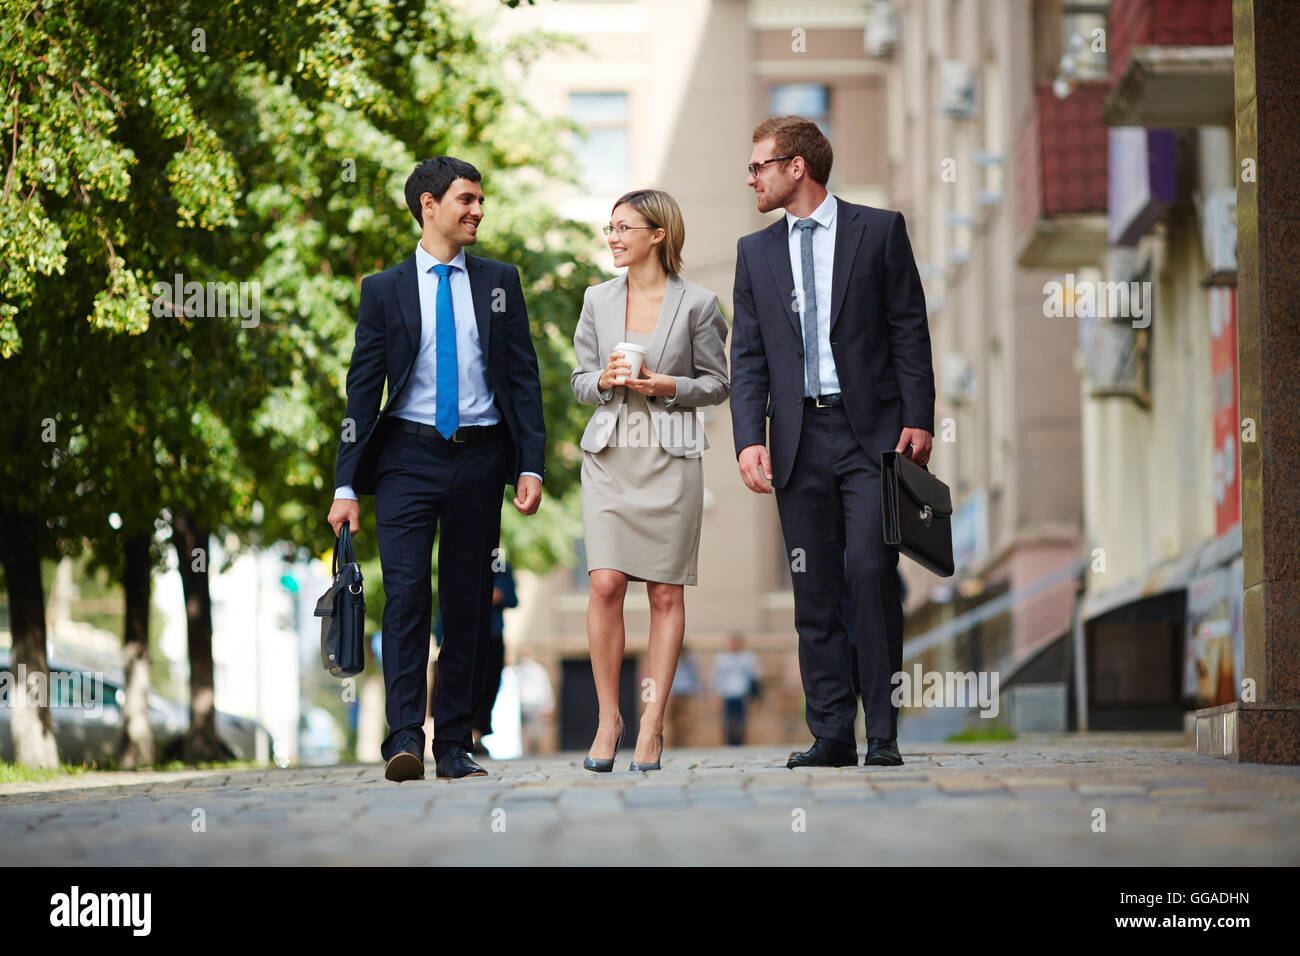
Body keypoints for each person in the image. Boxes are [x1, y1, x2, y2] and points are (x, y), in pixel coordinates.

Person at [327, 156, 546, 782]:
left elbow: (523, 379)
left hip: (480, 456)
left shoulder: (500, 280)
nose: (478, 210)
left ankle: (454, 742)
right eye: (466, 199)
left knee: (469, 602)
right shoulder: (384, 288)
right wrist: (345, 485)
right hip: (405, 458)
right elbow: (362, 390)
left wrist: (529, 463)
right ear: (429, 205)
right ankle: (403, 737)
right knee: (405, 598)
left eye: (481, 200)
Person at [730, 116, 936, 769]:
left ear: (797, 167)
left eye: (760, 164)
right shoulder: (753, 252)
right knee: (813, 587)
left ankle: (882, 733)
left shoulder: (878, 231)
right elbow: (749, 358)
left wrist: (921, 415)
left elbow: (909, 329)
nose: (751, 177)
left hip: (871, 436)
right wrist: (747, 438)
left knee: (870, 574)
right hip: (795, 441)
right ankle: (831, 735)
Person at [571, 188, 730, 772]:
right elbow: (579, 382)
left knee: (664, 592)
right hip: (611, 457)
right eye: (609, 229)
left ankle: (651, 725)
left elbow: (718, 383)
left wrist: (667, 385)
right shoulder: (596, 299)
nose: (612, 238)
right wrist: (606, 380)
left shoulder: (700, 303)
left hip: (670, 459)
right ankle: (608, 717)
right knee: (606, 582)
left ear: (657, 234)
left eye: (623, 228)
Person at [432, 561, 518, 756]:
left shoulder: (499, 564)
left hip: (491, 634)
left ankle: (476, 735)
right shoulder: (453, 560)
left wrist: (473, 597)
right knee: (459, 683)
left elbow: (507, 596)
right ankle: (458, 734)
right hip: (459, 633)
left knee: (488, 684)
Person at [712, 633, 760, 746]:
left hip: (742, 694)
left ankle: (741, 742)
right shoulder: (721, 658)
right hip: (727, 694)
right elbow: (716, 678)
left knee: (742, 721)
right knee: (728, 721)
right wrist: (715, 695)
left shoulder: (748, 657)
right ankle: (729, 743)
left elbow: (754, 677)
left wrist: (753, 695)